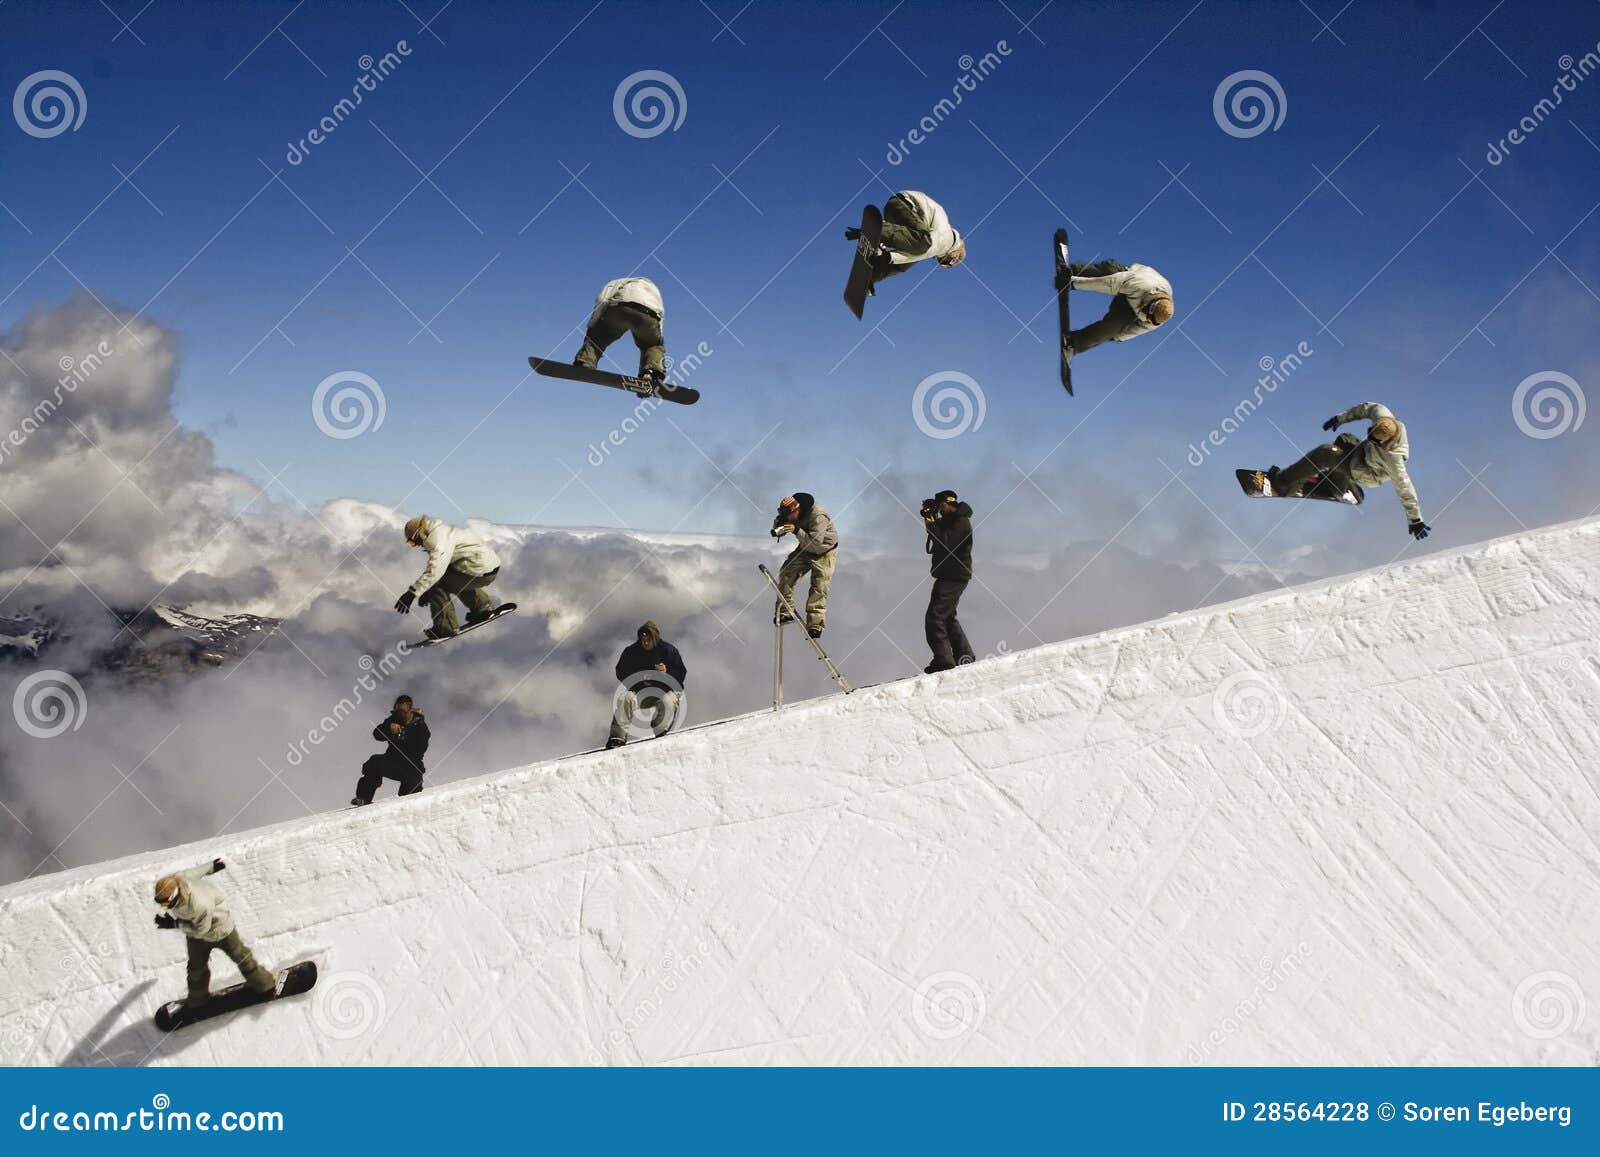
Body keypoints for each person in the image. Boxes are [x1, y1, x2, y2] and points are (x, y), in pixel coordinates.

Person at [1264, 403, 1431, 539]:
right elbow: (1366, 408)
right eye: (1370, 433)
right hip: (1364, 455)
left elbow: (1405, 488)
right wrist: (1340, 418)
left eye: (1375, 440)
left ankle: (1284, 483)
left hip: (1367, 473)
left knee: (1325, 452)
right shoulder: (1383, 416)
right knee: (1345, 439)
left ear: (1385, 443)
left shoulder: (1394, 459)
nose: (1371, 439)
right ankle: (1336, 486)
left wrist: (1415, 519)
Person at [152, 858, 276, 1008]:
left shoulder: (199, 904)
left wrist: (174, 924)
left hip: (221, 930)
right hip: (196, 934)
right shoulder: (179, 879)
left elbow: (201, 930)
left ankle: (265, 986)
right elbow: (195, 872)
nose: (164, 907)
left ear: (174, 896)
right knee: (196, 969)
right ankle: (198, 1001)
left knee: (242, 958)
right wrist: (211, 866)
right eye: (160, 903)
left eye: (165, 903)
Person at [393, 515, 502, 639]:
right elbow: (445, 569)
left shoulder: (437, 540)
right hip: (485, 569)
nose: (416, 545)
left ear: (418, 533)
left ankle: (445, 627)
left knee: (438, 585)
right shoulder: (442, 531)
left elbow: (435, 571)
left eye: (413, 541)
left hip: (478, 570)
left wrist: (412, 593)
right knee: (451, 578)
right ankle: (482, 609)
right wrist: (424, 591)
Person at [847, 190, 966, 293]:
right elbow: (925, 248)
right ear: (953, 255)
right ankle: (879, 230)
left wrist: (888, 257)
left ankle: (871, 276)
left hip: (899, 212)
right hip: (904, 205)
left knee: (907, 262)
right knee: (922, 246)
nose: (940, 262)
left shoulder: (942, 238)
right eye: (945, 263)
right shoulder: (948, 240)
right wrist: (889, 256)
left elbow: (916, 255)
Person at [1057, 258, 1174, 353]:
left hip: (1130, 305)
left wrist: (1118, 336)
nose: (1147, 320)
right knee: (1108, 272)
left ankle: (1073, 342)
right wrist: (1072, 283)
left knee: (1110, 330)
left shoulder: (1159, 317)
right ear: (1150, 306)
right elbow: (1106, 283)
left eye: (1149, 320)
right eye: (1148, 316)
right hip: (1125, 277)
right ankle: (1074, 271)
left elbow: (1139, 329)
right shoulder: (1140, 285)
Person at [574, 276, 666, 389]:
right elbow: (660, 318)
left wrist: (592, 327)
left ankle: (586, 361)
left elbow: (602, 300)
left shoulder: (619, 282)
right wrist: (657, 340)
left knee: (600, 337)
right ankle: (651, 373)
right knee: (652, 346)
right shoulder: (655, 290)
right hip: (650, 315)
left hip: (620, 308)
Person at [607, 620, 688, 748]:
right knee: (625, 698)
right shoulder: (631, 652)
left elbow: (681, 673)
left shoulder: (668, 650)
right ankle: (617, 737)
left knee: (667, 702)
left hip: (665, 691)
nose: (645, 642)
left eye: (648, 639)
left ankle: (660, 728)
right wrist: (635, 678)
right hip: (641, 691)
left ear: (655, 638)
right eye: (642, 639)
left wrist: (667, 671)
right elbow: (620, 670)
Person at [771, 492, 838, 638]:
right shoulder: (790, 513)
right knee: (787, 572)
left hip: (823, 550)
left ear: (797, 510)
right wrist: (779, 525)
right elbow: (782, 527)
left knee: (819, 585)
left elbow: (815, 545)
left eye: (789, 515)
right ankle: (785, 611)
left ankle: (815, 623)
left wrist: (796, 530)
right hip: (806, 546)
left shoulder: (818, 516)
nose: (787, 518)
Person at [922, 489, 975, 673]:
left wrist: (930, 524)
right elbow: (941, 537)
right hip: (950, 575)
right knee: (948, 617)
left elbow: (944, 543)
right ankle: (964, 656)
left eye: (940, 506)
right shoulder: (952, 520)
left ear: (946, 503)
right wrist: (932, 519)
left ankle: (944, 659)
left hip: (953, 576)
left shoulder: (961, 522)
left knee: (935, 618)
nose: (939, 509)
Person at [352, 694, 431, 805]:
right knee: (374, 762)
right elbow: (377, 734)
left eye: (403, 707)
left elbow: (421, 748)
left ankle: (407, 802)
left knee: (411, 793)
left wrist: (405, 736)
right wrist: (388, 728)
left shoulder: (420, 726)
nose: (400, 711)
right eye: (397, 707)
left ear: (410, 708)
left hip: (411, 765)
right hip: (392, 761)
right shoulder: (393, 720)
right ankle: (363, 798)